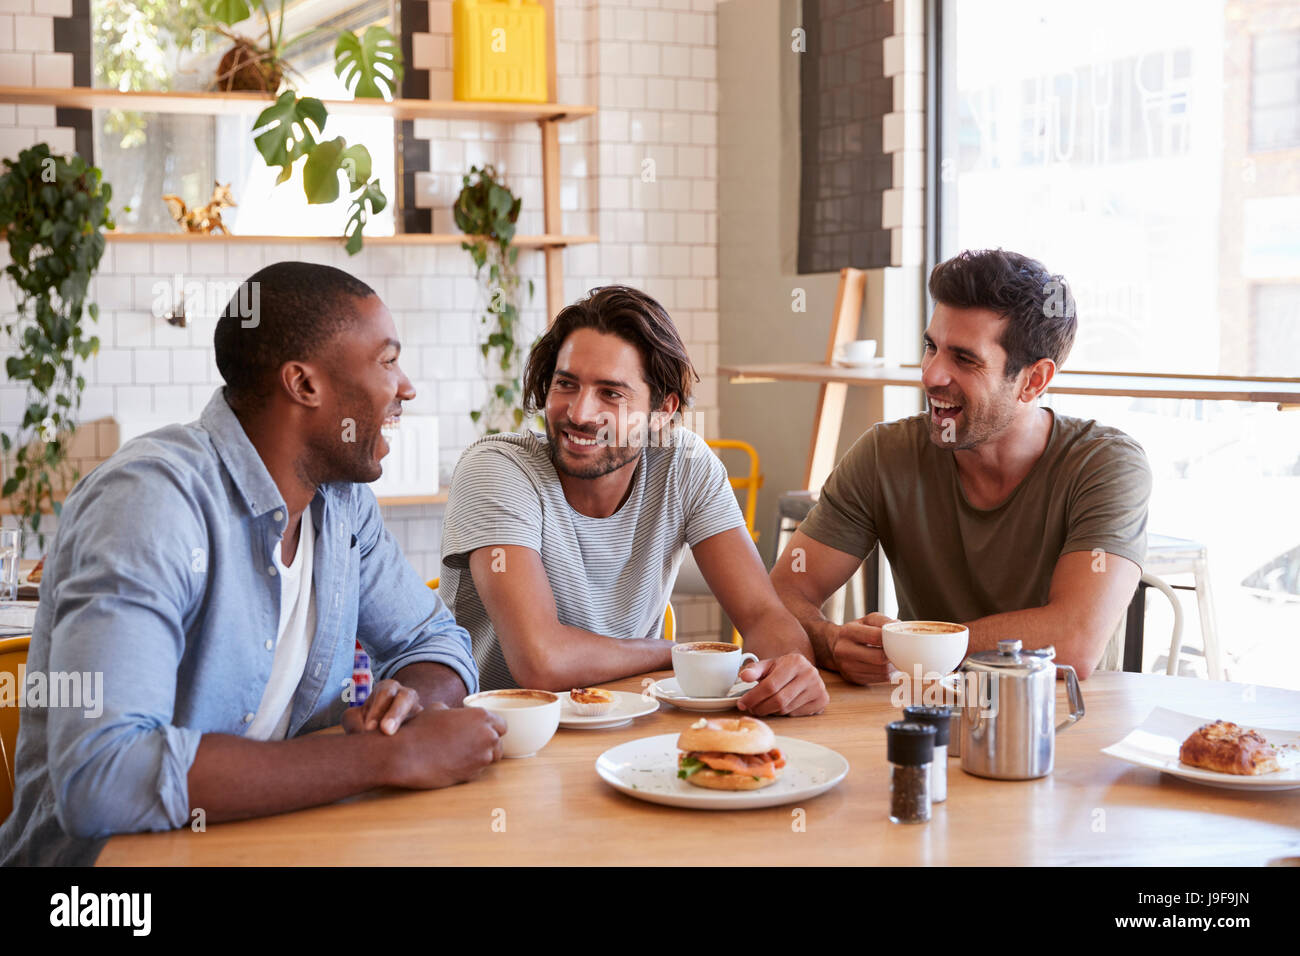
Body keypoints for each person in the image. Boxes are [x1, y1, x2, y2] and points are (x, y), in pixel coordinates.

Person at [0, 261, 504, 866]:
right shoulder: (151, 502)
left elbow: (435, 640)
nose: (406, 387)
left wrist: (409, 708)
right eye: (387, 361)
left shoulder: (341, 506)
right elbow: (104, 777)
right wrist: (388, 757)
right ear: (304, 384)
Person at [439, 286, 829, 716]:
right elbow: (541, 661)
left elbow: (762, 615)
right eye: (566, 384)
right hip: (502, 740)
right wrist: (672, 653)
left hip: (626, 726)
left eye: (611, 393)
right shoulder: (497, 468)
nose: (581, 413)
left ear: (663, 411)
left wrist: (788, 670)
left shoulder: (684, 464)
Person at [771, 249, 1151, 683]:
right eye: (931, 347)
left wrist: (917, 643)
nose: (931, 375)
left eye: (964, 359)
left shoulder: (1105, 465)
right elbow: (781, 595)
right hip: (921, 714)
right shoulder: (885, 455)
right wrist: (830, 641)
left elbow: (1074, 639)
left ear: (1034, 380)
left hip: (1055, 721)